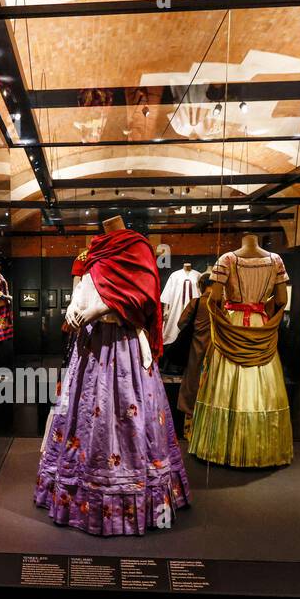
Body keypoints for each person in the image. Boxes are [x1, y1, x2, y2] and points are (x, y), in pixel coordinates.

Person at [36, 218, 190, 535]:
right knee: (85, 411)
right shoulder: (95, 252)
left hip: (125, 346)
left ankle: (131, 488)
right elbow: (85, 288)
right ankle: (79, 486)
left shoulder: (138, 249)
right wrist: (74, 307)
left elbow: (145, 299)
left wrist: (100, 310)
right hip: (90, 346)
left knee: (127, 414)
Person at [186, 239, 293, 468]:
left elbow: (214, 298)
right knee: (263, 386)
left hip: (232, 323)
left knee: (223, 385)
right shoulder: (276, 261)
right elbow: (282, 299)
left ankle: (220, 447)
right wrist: (261, 307)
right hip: (260, 324)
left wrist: (225, 317)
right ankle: (260, 450)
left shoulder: (227, 259)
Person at [175, 272, 213, 435]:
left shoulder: (197, 303)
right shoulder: (221, 303)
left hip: (196, 352)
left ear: (201, 286)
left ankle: (190, 431)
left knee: (192, 388)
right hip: (215, 353)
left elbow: (181, 322)